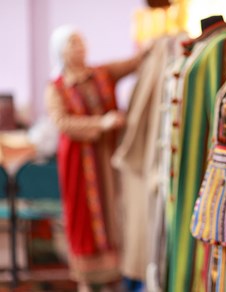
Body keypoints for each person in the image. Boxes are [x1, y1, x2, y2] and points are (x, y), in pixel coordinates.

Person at [45, 25, 145, 292]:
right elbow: (62, 122)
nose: (80, 47)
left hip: (106, 158)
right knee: (84, 215)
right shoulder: (56, 88)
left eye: (81, 41)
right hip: (79, 161)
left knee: (113, 209)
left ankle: (114, 275)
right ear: (61, 51)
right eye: (73, 43)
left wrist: (151, 46)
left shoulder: (102, 74)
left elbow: (133, 63)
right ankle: (87, 279)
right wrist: (101, 123)